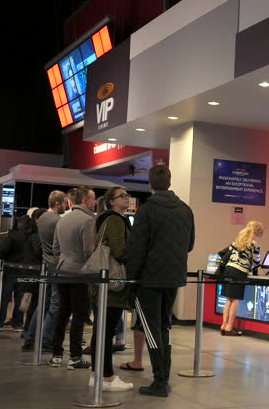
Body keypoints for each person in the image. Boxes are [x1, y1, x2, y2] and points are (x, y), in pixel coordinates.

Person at [128, 164, 195, 397]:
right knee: (164, 326)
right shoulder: (186, 210)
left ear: (150, 184)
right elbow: (190, 245)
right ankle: (163, 377)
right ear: (169, 181)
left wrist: (131, 280)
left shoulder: (146, 210)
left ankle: (159, 381)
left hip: (148, 280)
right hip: (174, 278)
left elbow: (137, 249)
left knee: (151, 328)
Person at [87, 186, 134, 392]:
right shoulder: (115, 220)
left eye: (127, 195)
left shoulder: (104, 219)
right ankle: (106, 376)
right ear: (112, 201)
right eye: (122, 196)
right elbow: (120, 251)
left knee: (102, 328)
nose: (128, 198)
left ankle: (96, 374)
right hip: (112, 284)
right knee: (107, 330)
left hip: (104, 283)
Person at [50, 186, 96, 370]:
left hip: (62, 270)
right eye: (93, 198)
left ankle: (56, 354)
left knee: (63, 312)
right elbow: (88, 251)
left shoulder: (62, 219)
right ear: (85, 200)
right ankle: (75, 356)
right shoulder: (88, 221)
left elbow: (55, 248)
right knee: (79, 314)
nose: (94, 202)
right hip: (79, 273)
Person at [22, 190, 67, 351]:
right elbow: (61, 245)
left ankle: (30, 338)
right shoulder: (57, 220)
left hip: (45, 264)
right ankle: (46, 340)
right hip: (55, 266)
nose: (66, 206)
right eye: (64, 203)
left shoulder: (42, 219)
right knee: (55, 304)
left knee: (43, 303)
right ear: (57, 204)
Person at [220, 221, 264, 336]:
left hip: (228, 269)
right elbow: (256, 262)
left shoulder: (237, 240)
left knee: (228, 300)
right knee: (235, 300)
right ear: (257, 231)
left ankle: (224, 325)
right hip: (239, 272)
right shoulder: (254, 244)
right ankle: (230, 327)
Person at [0, 215, 39, 331]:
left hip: (10, 270)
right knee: (20, 299)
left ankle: (0, 322)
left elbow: (2, 251)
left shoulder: (13, 236)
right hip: (25, 271)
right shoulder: (32, 237)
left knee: (5, 298)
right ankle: (17, 323)